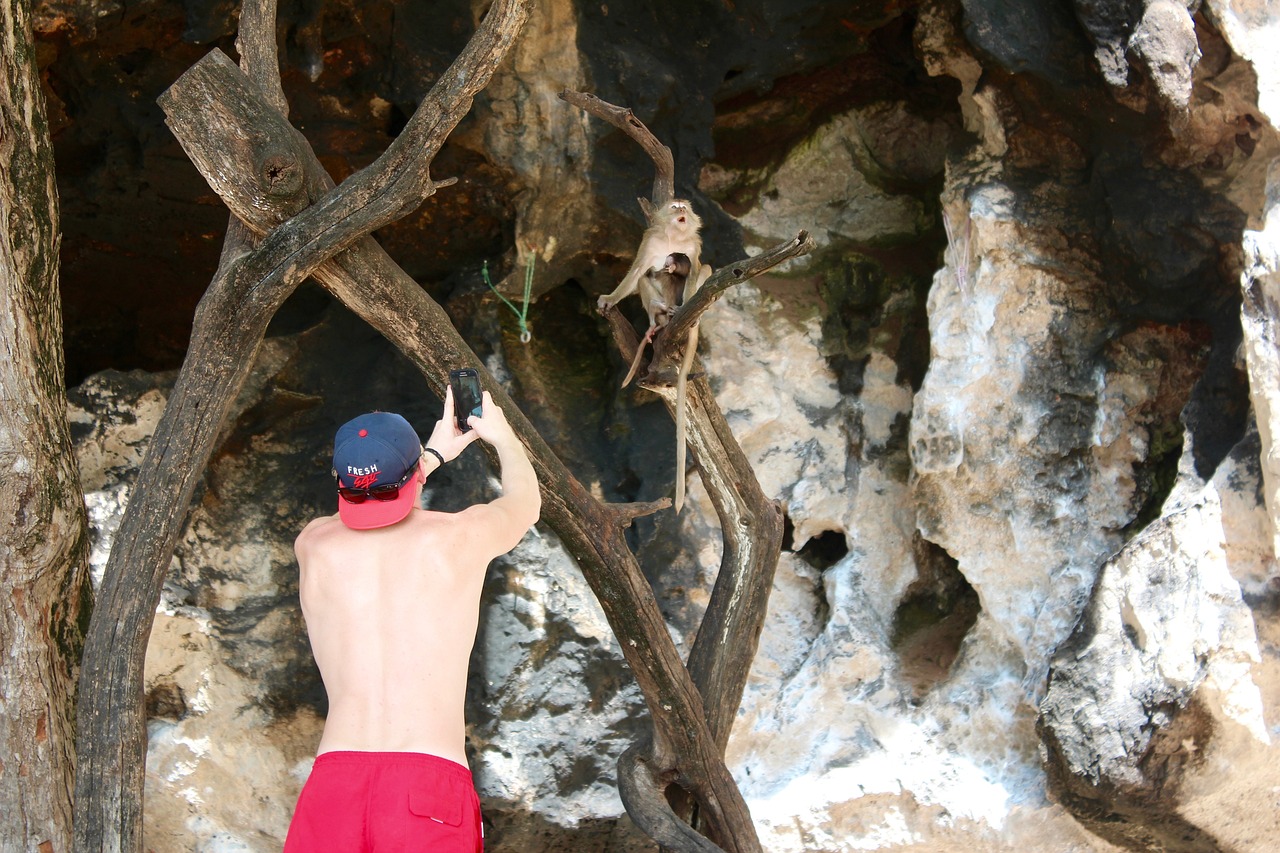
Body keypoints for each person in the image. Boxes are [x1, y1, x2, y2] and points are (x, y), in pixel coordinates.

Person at [283, 382, 540, 852]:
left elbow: (371, 500)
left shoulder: (313, 544)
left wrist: (422, 461)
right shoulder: (458, 538)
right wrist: (503, 437)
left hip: (333, 788)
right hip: (425, 786)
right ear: (415, 474)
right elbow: (524, 504)